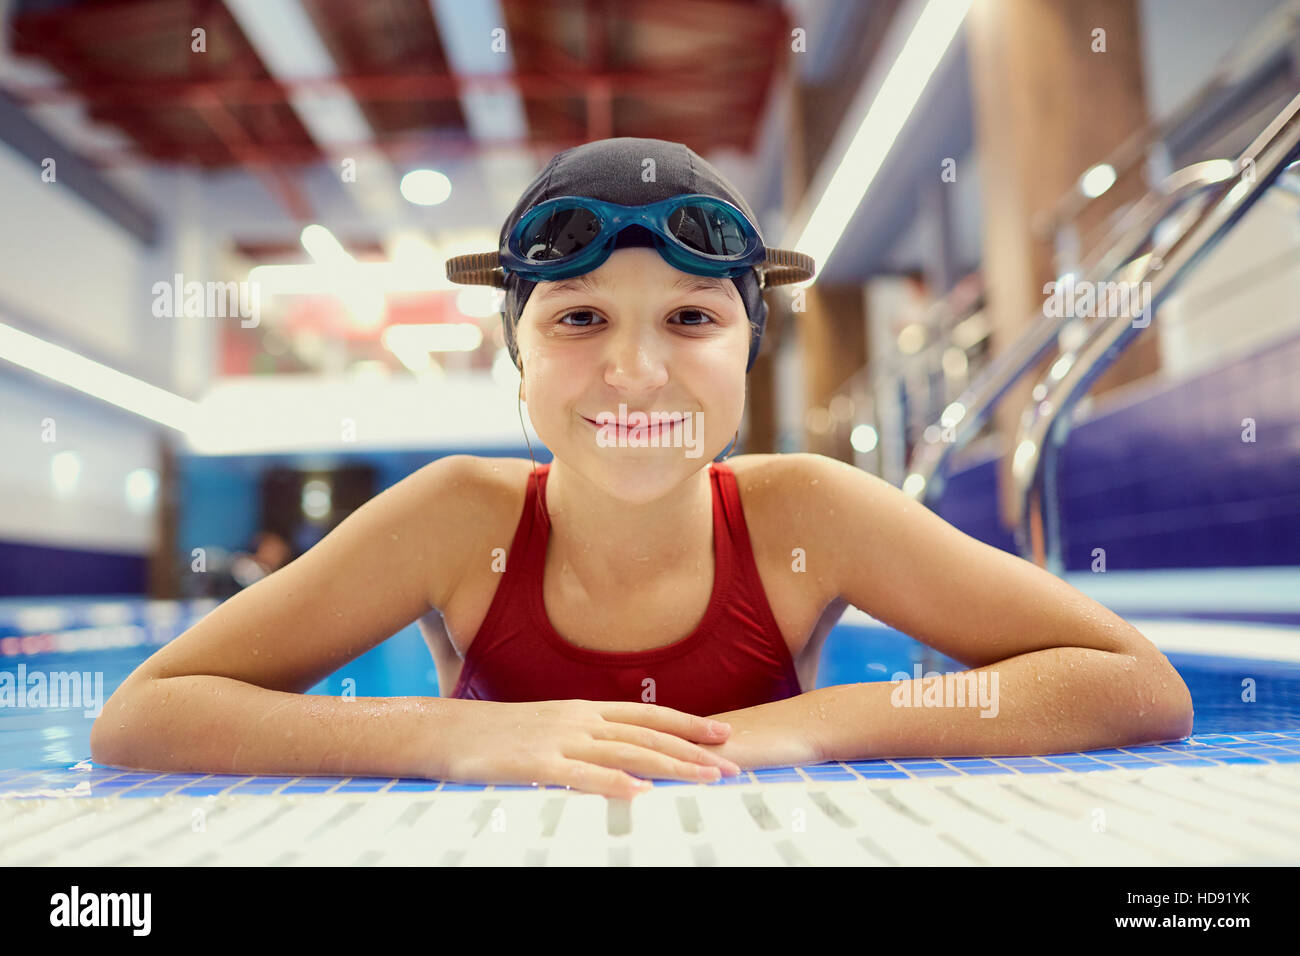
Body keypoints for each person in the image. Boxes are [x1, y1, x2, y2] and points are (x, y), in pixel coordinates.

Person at [92, 137, 1193, 800]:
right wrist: (458, 733)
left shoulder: (806, 508)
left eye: (689, 317)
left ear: (748, 349)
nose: (634, 371)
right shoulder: (452, 517)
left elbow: (1134, 684)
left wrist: (808, 721)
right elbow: (144, 715)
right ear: (516, 354)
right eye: (577, 317)